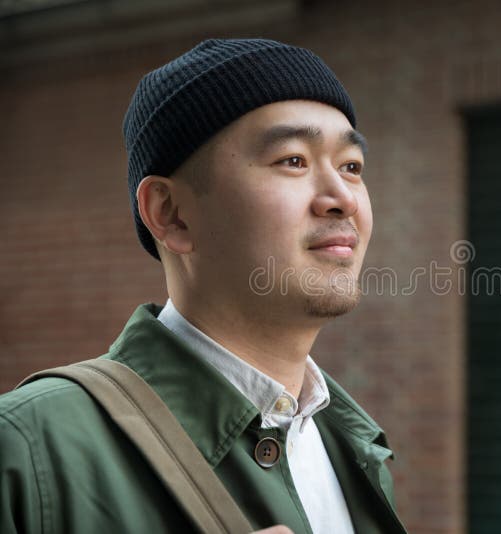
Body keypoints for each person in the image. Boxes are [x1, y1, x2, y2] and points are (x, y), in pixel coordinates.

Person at [0, 38, 406, 534]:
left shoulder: (355, 448)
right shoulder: (28, 448)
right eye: (293, 160)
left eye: (351, 167)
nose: (342, 198)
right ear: (170, 214)